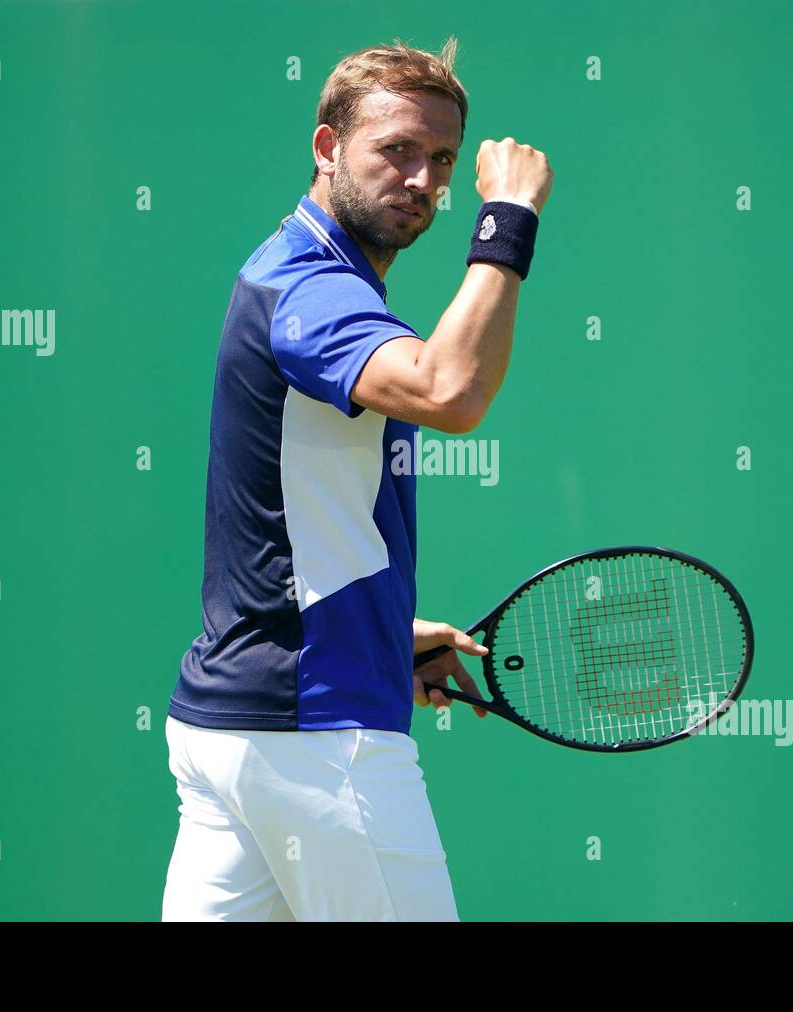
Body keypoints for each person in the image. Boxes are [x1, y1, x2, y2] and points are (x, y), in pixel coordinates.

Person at [161, 36, 553, 921]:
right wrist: (509, 217)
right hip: (318, 739)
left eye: (443, 160)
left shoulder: (310, 279)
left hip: (235, 728)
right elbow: (448, 391)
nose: (423, 180)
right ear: (328, 148)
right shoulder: (308, 289)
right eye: (396, 151)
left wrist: (381, 631)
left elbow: (287, 521)